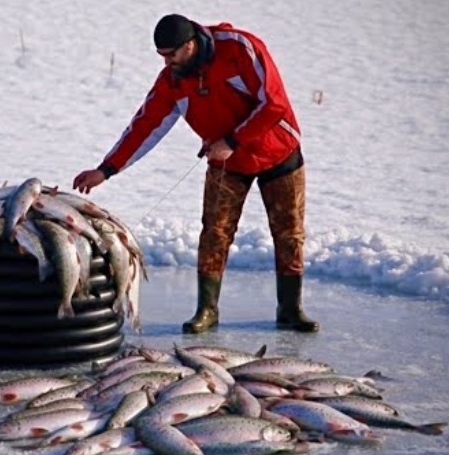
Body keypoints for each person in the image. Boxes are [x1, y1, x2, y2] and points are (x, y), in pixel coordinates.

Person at [72, 14, 319, 334]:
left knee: (289, 233)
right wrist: (106, 170)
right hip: (226, 162)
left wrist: (232, 141)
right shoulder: (172, 81)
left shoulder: (240, 49)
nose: (166, 63)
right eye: (161, 56)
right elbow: (145, 126)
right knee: (214, 232)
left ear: (189, 44)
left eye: (171, 54)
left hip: (279, 151)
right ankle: (207, 310)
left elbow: (274, 104)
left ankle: (290, 309)